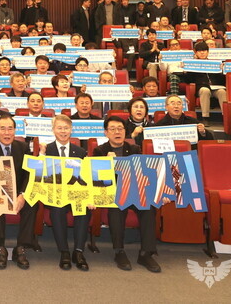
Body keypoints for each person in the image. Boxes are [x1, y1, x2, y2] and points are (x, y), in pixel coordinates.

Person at [93, 116, 160, 272]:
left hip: (133, 191)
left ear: (125, 131)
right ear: (106, 133)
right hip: (112, 192)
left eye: (120, 129)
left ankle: (146, 253)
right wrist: (106, 164)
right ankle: (119, 251)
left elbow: (140, 174)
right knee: (117, 207)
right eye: (113, 129)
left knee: (148, 206)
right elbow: (97, 179)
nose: (117, 132)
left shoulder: (135, 149)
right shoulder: (99, 151)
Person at [0, 115, 35, 269]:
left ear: (15, 130)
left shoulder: (23, 148)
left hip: (18, 192)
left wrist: (22, 195)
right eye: (2, 129)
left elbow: (29, 174)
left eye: (10, 129)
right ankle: (0, 247)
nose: (6, 133)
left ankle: (21, 247)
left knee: (32, 202)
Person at [41, 114, 91, 270]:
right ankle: (64, 251)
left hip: (76, 193)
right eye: (59, 128)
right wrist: (41, 156)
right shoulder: (47, 149)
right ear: (53, 130)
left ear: (71, 130)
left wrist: (89, 197)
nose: (63, 132)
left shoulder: (80, 151)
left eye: (66, 128)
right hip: (54, 194)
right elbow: (38, 174)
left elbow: (87, 177)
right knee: (57, 210)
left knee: (83, 208)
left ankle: (78, 251)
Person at [180, 41, 227, 121]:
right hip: (201, 88)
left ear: (208, 52)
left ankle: (226, 117)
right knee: (205, 90)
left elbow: (222, 81)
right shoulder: (193, 64)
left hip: (215, 87)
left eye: (204, 51)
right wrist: (185, 70)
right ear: (196, 53)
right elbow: (188, 80)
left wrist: (222, 71)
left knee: (222, 91)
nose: (202, 53)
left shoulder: (214, 63)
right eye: (199, 51)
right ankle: (205, 117)